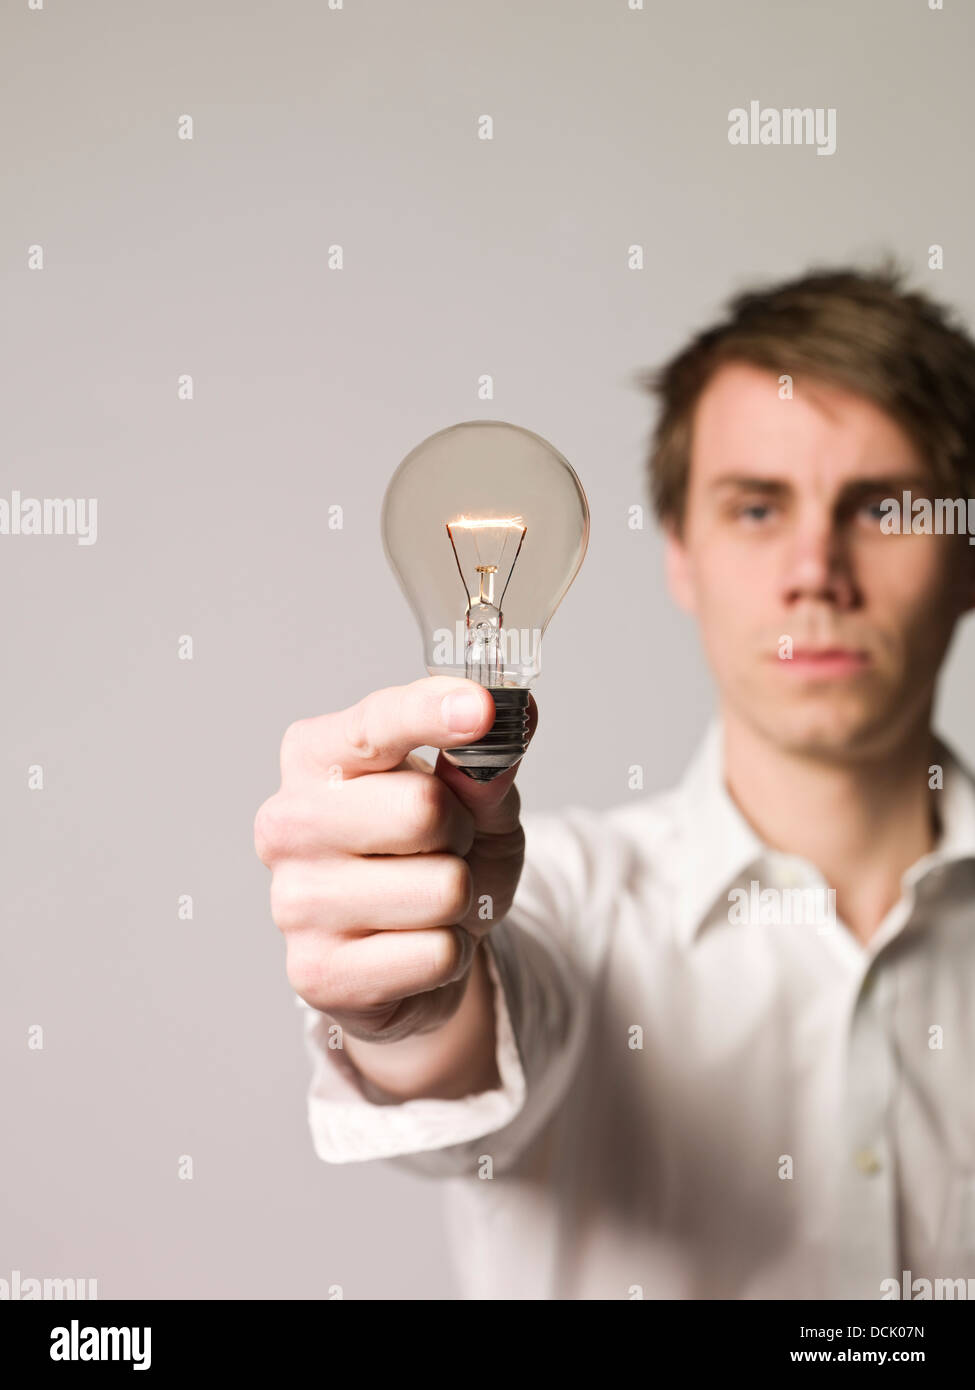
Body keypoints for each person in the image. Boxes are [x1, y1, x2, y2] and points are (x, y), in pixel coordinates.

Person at [254, 262, 975, 1300]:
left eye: (881, 508)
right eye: (758, 508)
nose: (816, 568)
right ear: (681, 553)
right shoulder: (563, 904)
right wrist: (410, 1001)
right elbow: (479, 1025)